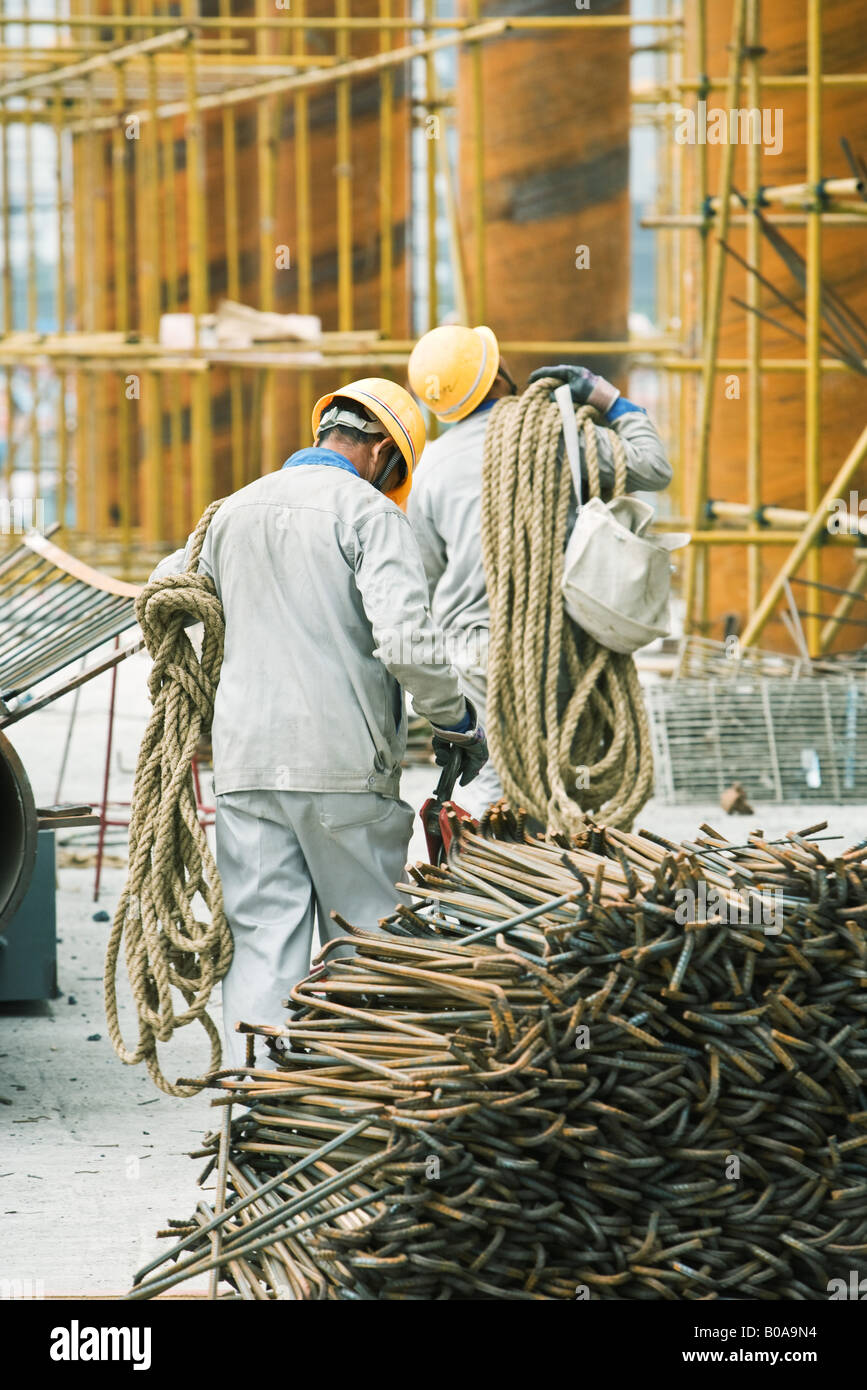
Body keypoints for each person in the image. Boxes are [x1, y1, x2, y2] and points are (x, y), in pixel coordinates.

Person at [152, 378, 488, 1064]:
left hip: (246, 766)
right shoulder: (367, 514)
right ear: (385, 457)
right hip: (340, 768)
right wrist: (453, 716)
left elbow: (165, 590)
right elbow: (405, 644)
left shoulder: (229, 512)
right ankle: (356, 1106)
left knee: (263, 945)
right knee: (364, 941)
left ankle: (253, 1118)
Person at [406, 325, 673, 817]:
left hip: (475, 653)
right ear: (496, 377)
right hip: (559, 644)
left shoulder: (431, 467)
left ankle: (495, 883)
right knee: (570, 782)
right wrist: (606, 397)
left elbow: (420, 578)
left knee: (495, 793)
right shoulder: (561, 436)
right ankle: (578, 882)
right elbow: (655, 468)